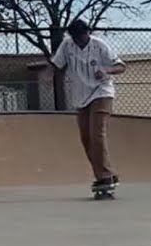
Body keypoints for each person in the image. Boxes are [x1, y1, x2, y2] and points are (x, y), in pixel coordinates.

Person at [50, 18, 127, 189]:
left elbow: (121, 66)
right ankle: (108, 173)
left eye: (82, 38)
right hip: (81, 97)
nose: (79, 42)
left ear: (87, 33)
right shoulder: (67, 45)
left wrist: (106, 70)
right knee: (86, 138)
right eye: (76, 39)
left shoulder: (99, 45)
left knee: (96, 134)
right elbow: (57, 65)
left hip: (102, 92)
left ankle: (104, 176)